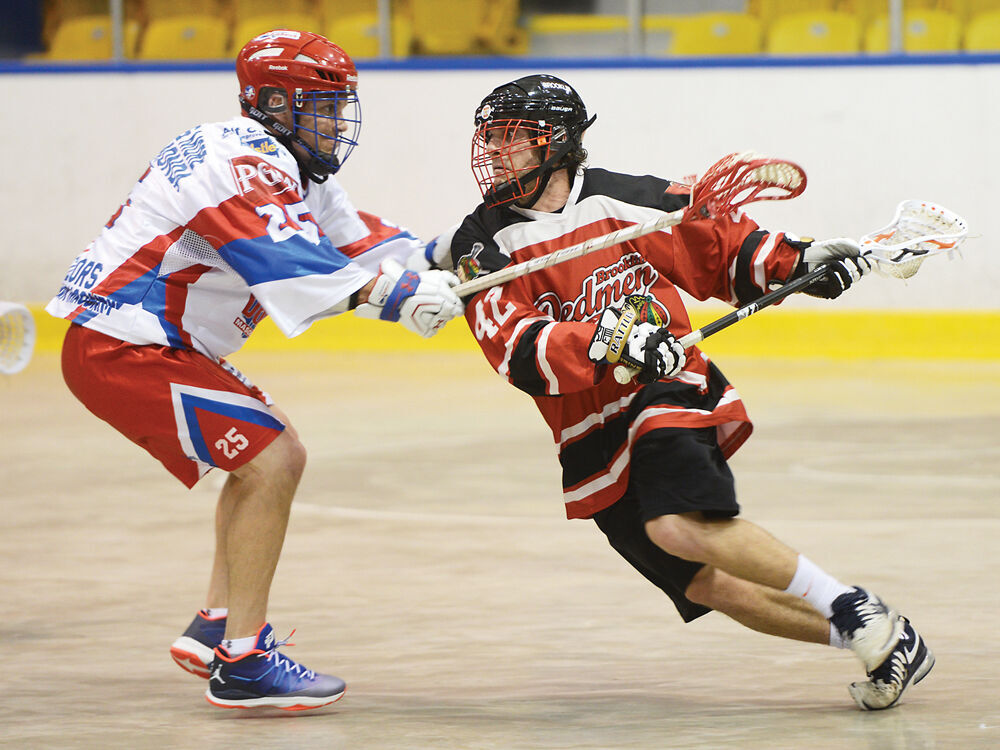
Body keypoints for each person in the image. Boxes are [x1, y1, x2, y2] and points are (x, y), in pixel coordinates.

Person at [418, 74, 933, 711]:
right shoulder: (480, 243)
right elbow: (518, 350)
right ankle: (881, 639)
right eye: (491, 138)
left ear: (560, 142)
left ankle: (851, 606)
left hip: (664, 387)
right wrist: (606, 341)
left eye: (514, 138)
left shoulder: (630, 199)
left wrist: (801, 264)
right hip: (587, 434)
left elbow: (723, 251)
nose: (497, 152)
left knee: (677, 526)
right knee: (712, 586)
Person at [45, 29, 463, 712]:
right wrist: (396, 298)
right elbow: (288, 261)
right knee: (271, 460)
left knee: (273, 454)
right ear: (272, 102)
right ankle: (243, 663)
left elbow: (361, 244)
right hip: (125, 344)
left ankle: (216, 626)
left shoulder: (287, 167)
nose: (336, 122)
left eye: (339, 106)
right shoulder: (235, 159)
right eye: (321, 106)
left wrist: (453, 252)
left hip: (149, 345)